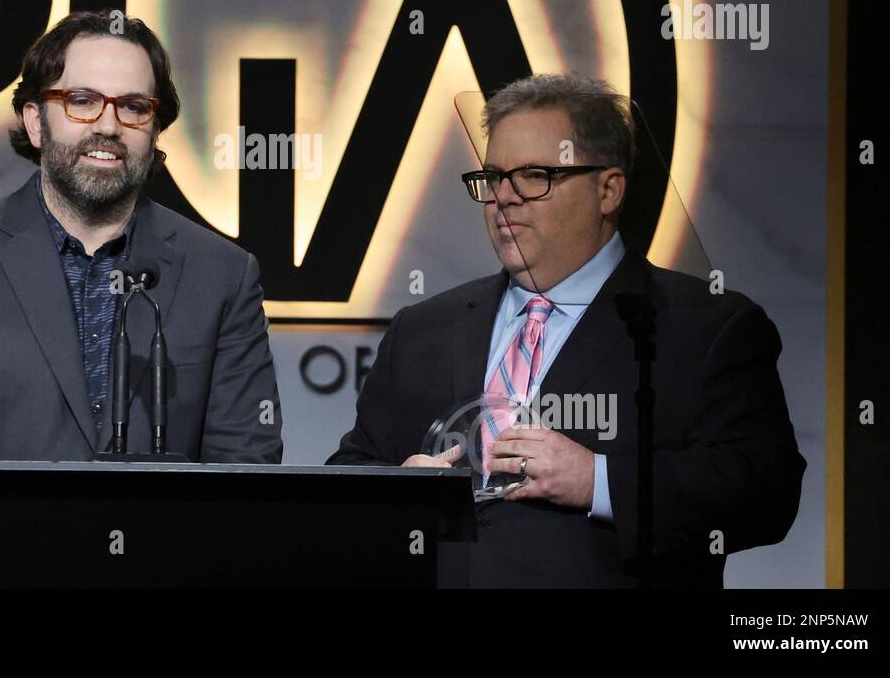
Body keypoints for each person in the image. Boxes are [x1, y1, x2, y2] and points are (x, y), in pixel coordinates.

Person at [328, 73, 803, 586]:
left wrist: (598, 481)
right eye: (492, 177)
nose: (503, 198)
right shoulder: (422, 329)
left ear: (608, 189)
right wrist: (397, 495)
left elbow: (764, 495)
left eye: (534, 175)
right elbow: (350, 469)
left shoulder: (705, 327)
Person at [0, 10, 283, 463]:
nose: (108, 126)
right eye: (82, 100)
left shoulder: (224, 274)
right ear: (35, 121)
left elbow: (245, 470)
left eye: (133, 107)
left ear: (154, 129)